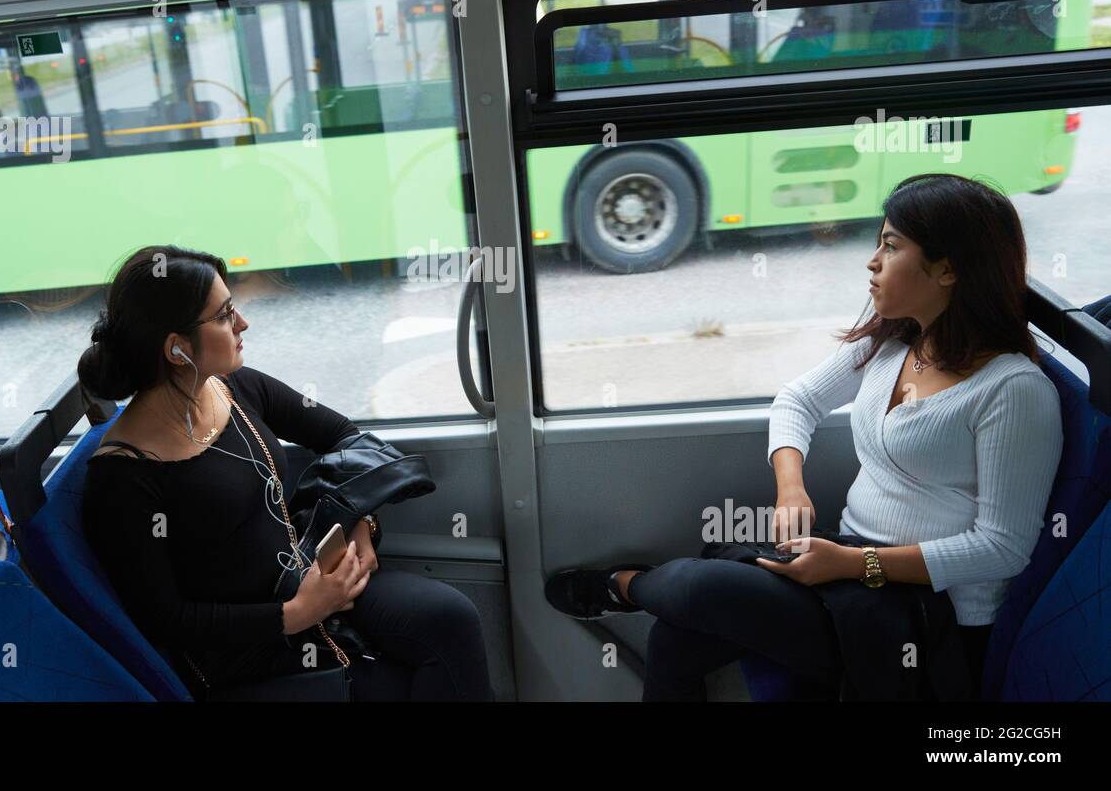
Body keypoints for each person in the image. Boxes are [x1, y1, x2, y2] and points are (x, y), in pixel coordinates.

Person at [545, 172, 1063, 701]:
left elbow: (1003, 548)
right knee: (676, 640)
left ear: (948, 268)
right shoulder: (896, 344)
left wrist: (858, 565)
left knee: (703, 587)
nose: (873, 261)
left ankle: (625, 586)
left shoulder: (1013, 391)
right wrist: (791, 486)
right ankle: (639, 590)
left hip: (928, 615)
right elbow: (799, 399)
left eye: (890, 244)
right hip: (848, 566)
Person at [78, 245, 493, 701]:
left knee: (452, 619)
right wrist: (298, 612)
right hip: (249, 652)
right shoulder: (122, 478)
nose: (243, 324)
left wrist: (360, 525)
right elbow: (167, 619)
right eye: (224, 315)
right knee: (393, 687)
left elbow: (344, 436)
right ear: (177, 349)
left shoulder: (232, 387)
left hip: (311, 579)